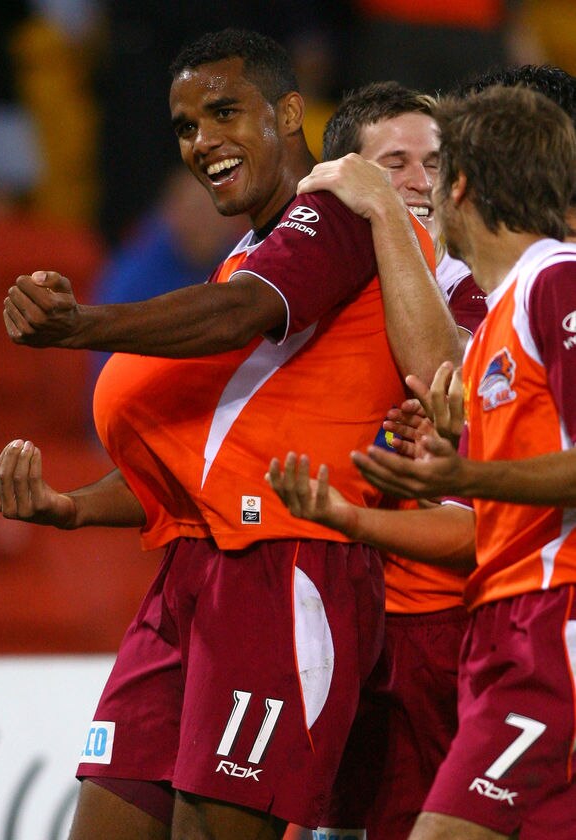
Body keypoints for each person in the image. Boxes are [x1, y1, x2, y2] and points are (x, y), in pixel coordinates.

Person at [0, 28, 460, 840]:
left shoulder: (337, 216)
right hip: (194, 570)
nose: (202, 141)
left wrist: (81, 324)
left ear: (288, 115)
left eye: (224, 113)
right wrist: (71, 507)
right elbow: (205, 453)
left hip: (283, 566)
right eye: (185, 127)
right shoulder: (246, 252)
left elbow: (238, 315)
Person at [331, 84, 576, 840]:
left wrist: (461, 477)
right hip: (507, 615)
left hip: (554, 615)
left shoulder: (557, 280)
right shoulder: (504, 304)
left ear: (461, 185)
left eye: (436, 169)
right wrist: (453, 444)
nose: (424, 189)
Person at [275, 81, 483, 840]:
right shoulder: (302, 295)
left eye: (435, 162)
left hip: (440, 623)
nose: (422, 182)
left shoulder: (482, 296)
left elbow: (445, 382)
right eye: (394, 164)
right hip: (333, 610)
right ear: (345, 177)